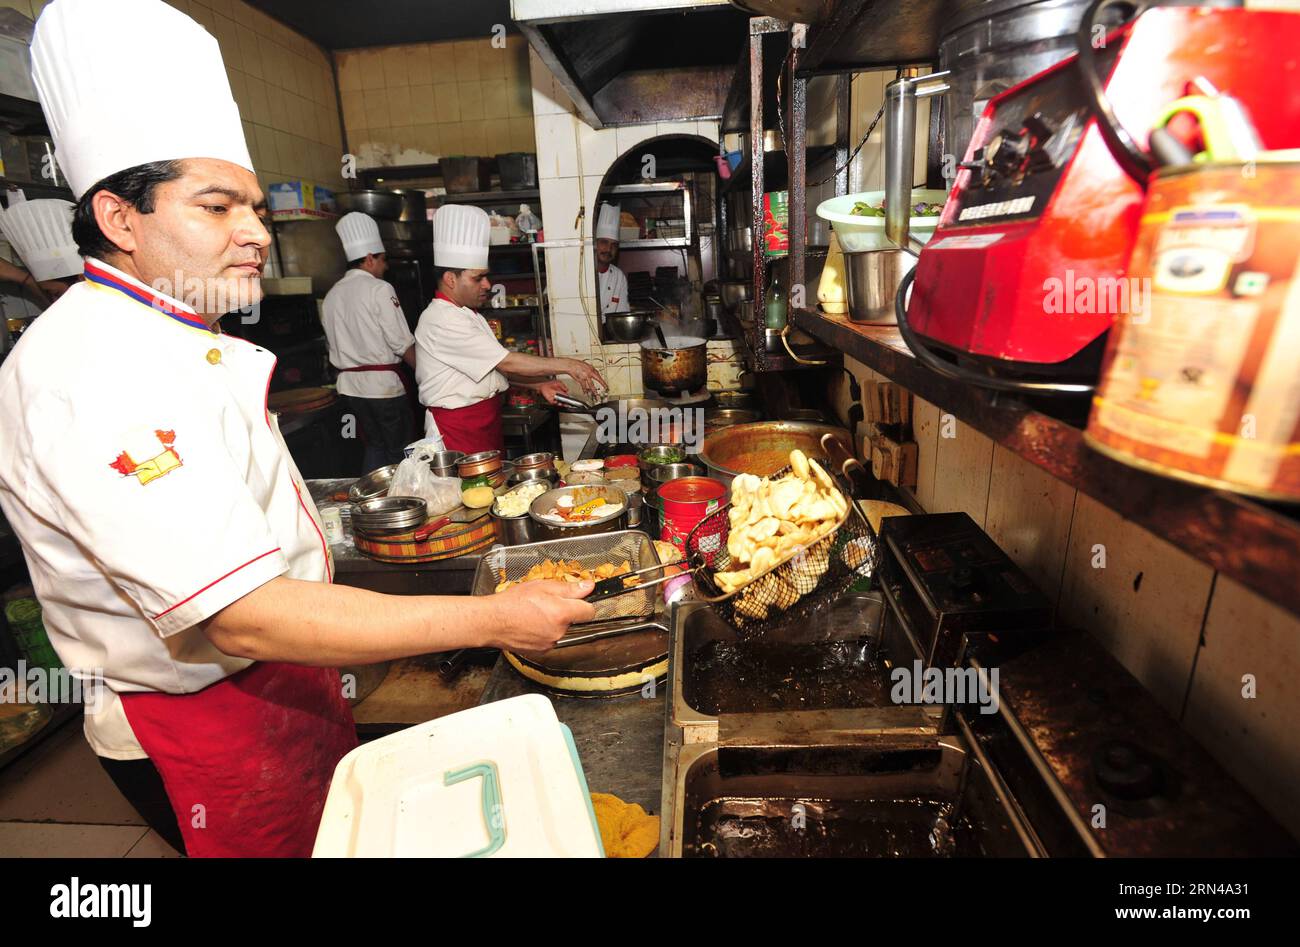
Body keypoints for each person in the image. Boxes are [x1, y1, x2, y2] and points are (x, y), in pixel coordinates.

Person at [0, 0, 596, 858]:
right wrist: (495, 618)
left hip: (282, 685)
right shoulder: (96, 368)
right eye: (216, 208)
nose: (255, 233)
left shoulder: (171, 332)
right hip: (204, 719)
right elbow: (241, 617)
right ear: (118, 219)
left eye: (252, 204)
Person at [414, 203, 606, 453]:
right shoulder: (441, 320)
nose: (487, 284)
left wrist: (539, 385)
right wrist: (571, 365)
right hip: (456, 431)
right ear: (451, 279)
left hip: (482, 423)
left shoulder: (467, 314)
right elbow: (508, 363)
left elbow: (492, 367)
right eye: (477, 277)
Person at [320, 211, 416, 471]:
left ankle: (371, 504)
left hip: (350, 390)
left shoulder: (331, 295)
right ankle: (403, 506)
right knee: (400, 453)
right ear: (370, 258)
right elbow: (401, 343)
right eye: (383, 260)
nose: (385, 267)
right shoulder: (379, 289)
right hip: (383, 388)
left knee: (374, 446)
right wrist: (426, 374)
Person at [595, 202, 629, 314]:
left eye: (614, 245)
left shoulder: (619, 277)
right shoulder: (578, 272)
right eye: (604, 242)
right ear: (595, 244)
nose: (609, 249)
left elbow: (622, 314)